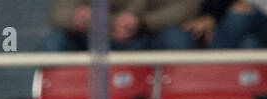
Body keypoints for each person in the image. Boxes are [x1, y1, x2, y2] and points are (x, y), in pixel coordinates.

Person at [47, 0, 201, 51]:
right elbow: (58, 13)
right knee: (55, 41)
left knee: (177, 39)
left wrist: (143, 22)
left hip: (147, 35)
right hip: (94, 38)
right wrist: (76, 17)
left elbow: (187, 6)